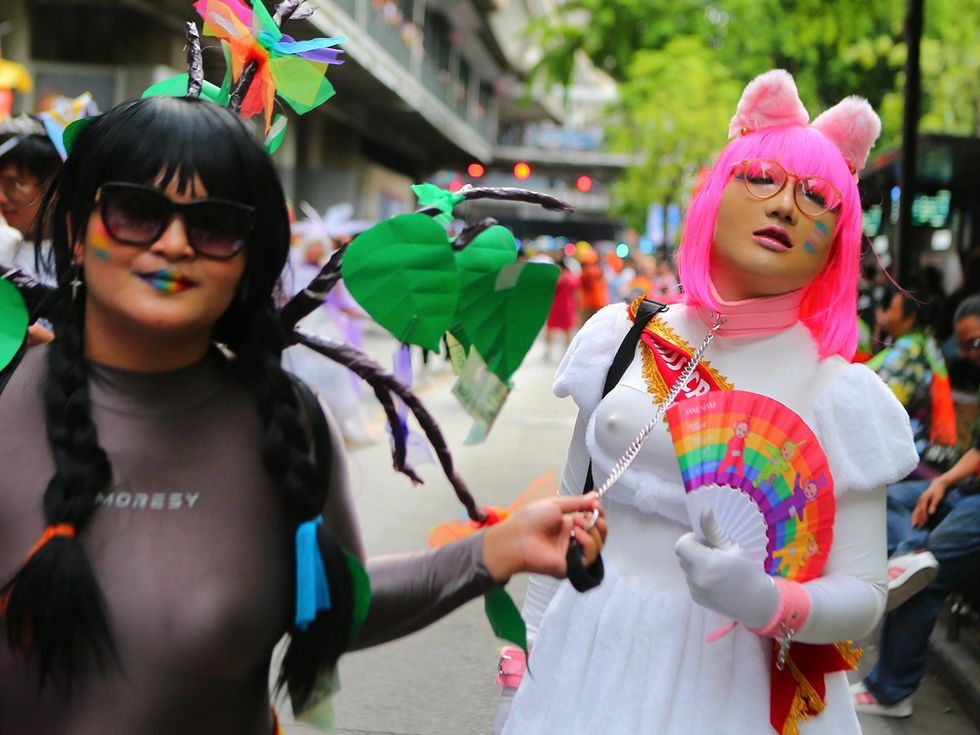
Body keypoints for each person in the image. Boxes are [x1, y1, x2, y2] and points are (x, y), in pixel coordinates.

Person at [0, 95, 607, 735]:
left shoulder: (286, 421)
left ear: (249, 256)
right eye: (136, 212)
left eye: (213, 223)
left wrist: (492, 551)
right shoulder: (7, 394)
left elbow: (333, 601)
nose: (174, 243)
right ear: (74, 230)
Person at [494, 69, 918, 735]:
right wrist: (529, 647)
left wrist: (770, 599)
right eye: (762, 178)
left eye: (817, 196)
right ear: (717, 189)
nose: (785, 207)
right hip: (585, 658)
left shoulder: (840, 395)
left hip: (737, 689)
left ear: (838, 239)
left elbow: (864, 596)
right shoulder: (623, 335)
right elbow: (571, 513)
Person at [853, 294, 980, 718]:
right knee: (893, 499)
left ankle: (891, 691)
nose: (966, 356)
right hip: (961, 487)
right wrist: (943, 483)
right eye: (964, 346)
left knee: (925, 573)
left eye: (973, 344)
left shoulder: (908, 353)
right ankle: (906, 553)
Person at [869, 286, 957, 468]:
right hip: (924, 445)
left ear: (909, 319)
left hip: (911, 449)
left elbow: (883, 400)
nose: (887, 315)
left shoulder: (908, 349)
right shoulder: (923, 342)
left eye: (893, 310)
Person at [544, 256, 580, 360]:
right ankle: (567, 351)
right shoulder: (571, 277)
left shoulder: (554, 277)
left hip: (555, 306)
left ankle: (548, 350)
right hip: (567, 306)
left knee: (551, 328)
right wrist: (577, 309)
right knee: (567, 329)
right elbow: (577, 293)